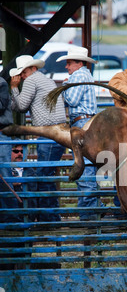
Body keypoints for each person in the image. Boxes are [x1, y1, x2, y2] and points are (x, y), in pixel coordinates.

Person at [10, 55, 66, 222]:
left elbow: (20, 106)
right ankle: (49, 217)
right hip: (58, 132)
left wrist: (14, 87)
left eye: (24, 72)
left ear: (32, 69)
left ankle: (49, 219)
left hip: (49, 133)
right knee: (47, 175)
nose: (22, 76)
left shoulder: (31, 81)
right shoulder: (44, 79)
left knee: (44, 176)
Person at [56, 45, 102, 220]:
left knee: (84, 169)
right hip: (85, 122)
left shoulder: (79, 75)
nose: (67, 67)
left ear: (78, 63)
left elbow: (72, 100)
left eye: (69, 63)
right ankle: (90, 213)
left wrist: (65, 86)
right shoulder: (84, 74)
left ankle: (91, 214)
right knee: (85, 168)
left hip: (82, 123)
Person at [0, 67, 19, 221]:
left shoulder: (1, 84)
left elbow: (1, 106)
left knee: (4, 173)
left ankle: (12, 218)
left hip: (1, 132)